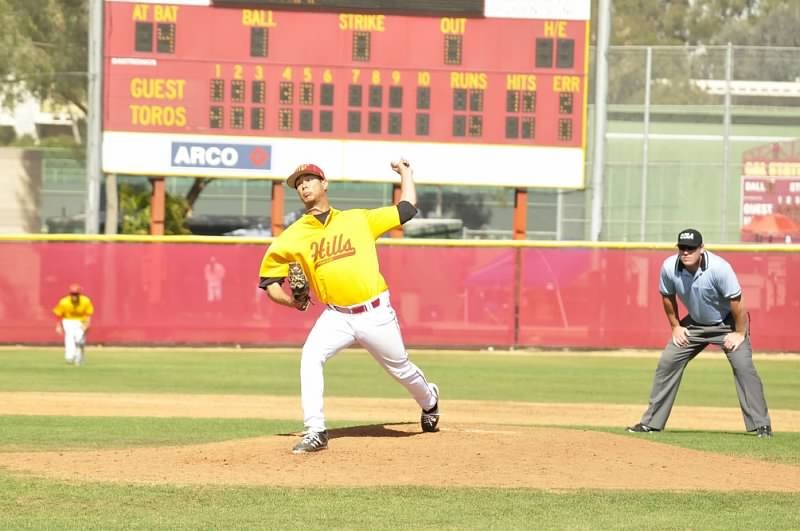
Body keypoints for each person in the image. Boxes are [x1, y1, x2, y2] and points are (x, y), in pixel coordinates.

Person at [258, 159, 440, 454]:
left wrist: (406, 173)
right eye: (298, 183)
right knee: (310, 357)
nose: (303, 185)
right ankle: (316, 430)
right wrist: (292, 302)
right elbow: (269, 281)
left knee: (401, 370)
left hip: (375, 312)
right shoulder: (292, 236)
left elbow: (407, 208)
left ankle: (429, 400)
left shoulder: (358, 219)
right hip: (336, 316)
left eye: (309, 179)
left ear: (324, 184)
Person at [627, 229, 772, 437]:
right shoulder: (669, 267)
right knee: (668, 362)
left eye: (691, 248)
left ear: (701, 249)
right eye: (682, 248)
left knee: (744, 368)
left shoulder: (719, 268)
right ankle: (651, 423)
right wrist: (676, 326)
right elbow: (667, 297)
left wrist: (740, 333)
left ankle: (762, 425)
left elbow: (737, 304)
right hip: (695, 324)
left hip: (728, 323)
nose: (686, 252)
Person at [53, 283, 95, 366]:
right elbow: (58, 314)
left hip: (81, 321)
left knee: (80, 341)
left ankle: (79, 359)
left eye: (76, 294)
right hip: (68, 321)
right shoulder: (64, 302)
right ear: (70, 294)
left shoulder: (85, 301)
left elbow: (88, 314)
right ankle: (69, 356)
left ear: (79, 294)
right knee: (69, 337)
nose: (74, 296)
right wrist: (58, 326)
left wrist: (87, 324)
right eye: (72, 294)